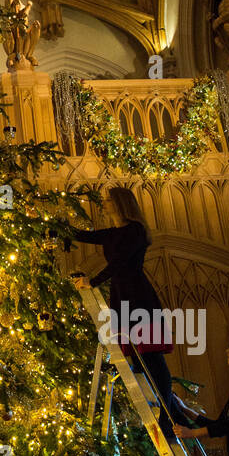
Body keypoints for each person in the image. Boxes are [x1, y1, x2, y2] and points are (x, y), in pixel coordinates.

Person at [69, 185, 191, 438]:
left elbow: (120, 263)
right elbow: (82, 235)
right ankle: (175, 415)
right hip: (122, 299)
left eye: (107, 201)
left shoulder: (134, 231)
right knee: (139, 360)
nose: (103, 204)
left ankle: (169, 416)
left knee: (153, 360)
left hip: (138, 298)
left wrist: (93, 280)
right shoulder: (113, 233)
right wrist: (49, 223)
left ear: (121, 204)